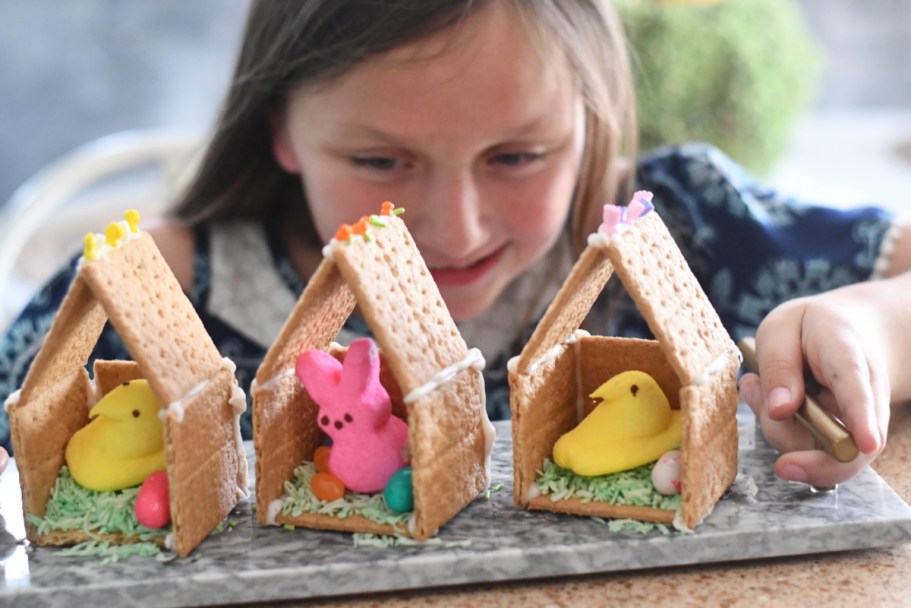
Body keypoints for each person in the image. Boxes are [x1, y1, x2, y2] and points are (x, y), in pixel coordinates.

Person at [1, 0, 908, 490]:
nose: (457, 226)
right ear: (279, 130)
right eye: (377, 157)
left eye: (518, 155)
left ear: (586, 123)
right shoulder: (146, 300)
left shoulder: (686, 226)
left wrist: (876, 327)